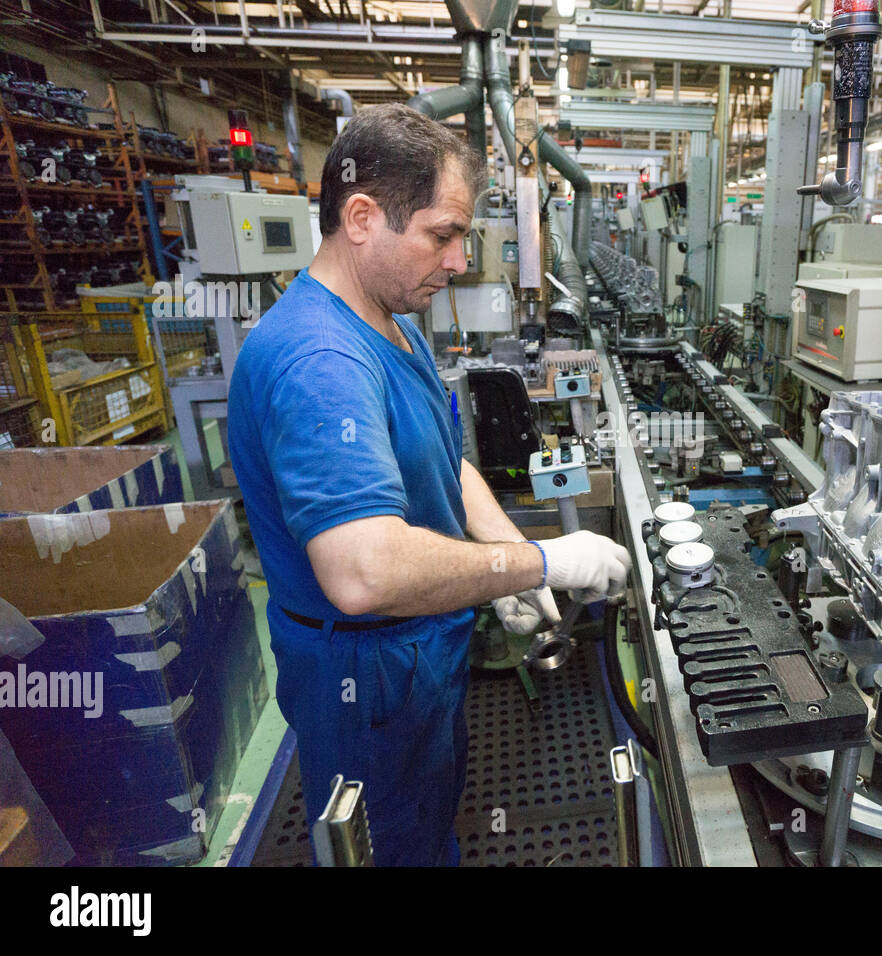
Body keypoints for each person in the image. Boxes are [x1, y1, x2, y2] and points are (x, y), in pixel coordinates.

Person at [228, 103, 632, 866]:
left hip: (416, 655)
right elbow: (364, 572)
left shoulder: (389, 320)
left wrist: (504, 551)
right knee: (388, 847)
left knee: (427, 820)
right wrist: (543, 563)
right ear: (361, 217)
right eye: (441, 236)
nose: (457, 262)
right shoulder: (322, 363)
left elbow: (446, 458)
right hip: (363, 677)